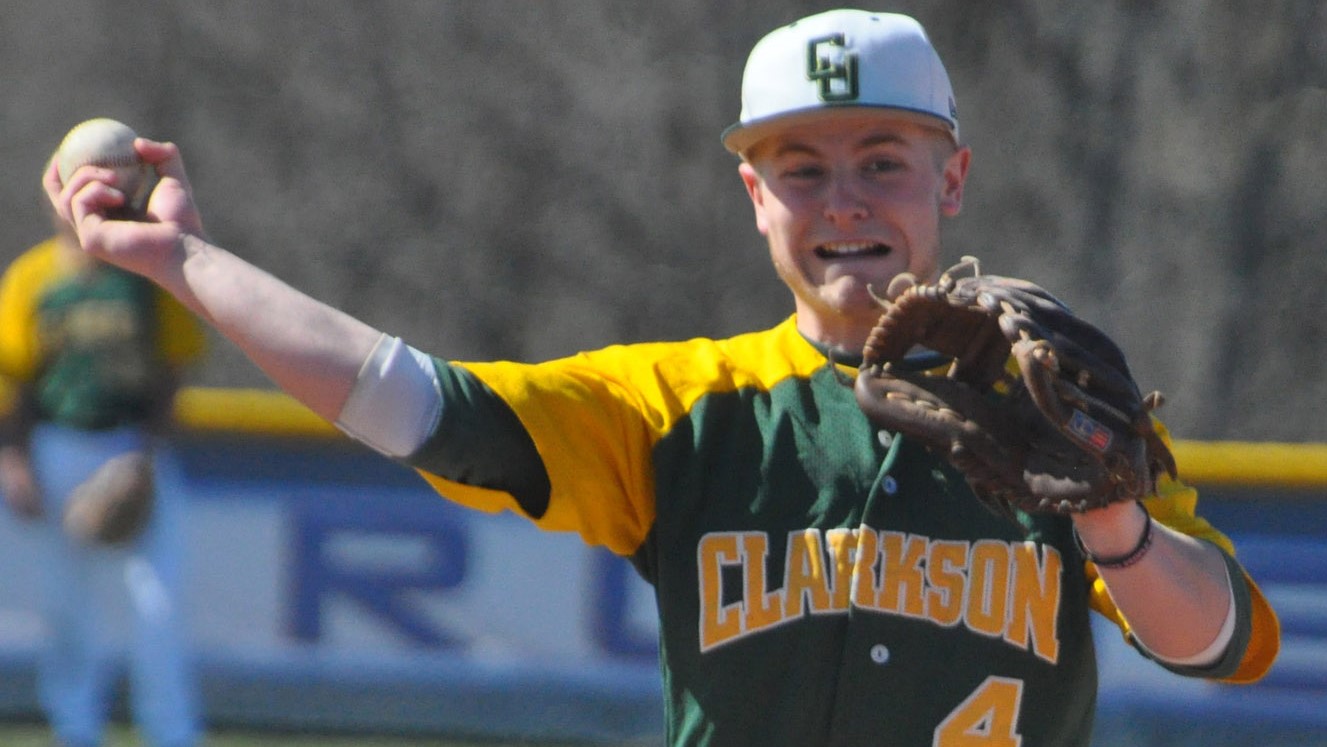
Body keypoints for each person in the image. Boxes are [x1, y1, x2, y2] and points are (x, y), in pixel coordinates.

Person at [44, 9, 1279, 746]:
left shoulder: (1053, 403)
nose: (843, 201)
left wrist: (1113, 522)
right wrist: (187, 263)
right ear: (754, 197)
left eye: (882, 161)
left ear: (950, 178)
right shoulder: (682, 409)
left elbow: (1226, 646)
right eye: (800, 169)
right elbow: (412, 402)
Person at [0, 198, 206, 746]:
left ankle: (172, 734)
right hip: (60, 444)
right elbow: (17, 378)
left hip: (132, 445)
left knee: (158, 606)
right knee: (67, 607)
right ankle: (75, 730)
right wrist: (15, 459)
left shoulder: (148, 275)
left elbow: (173, 369)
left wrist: (148, 454)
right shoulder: (33, 276)